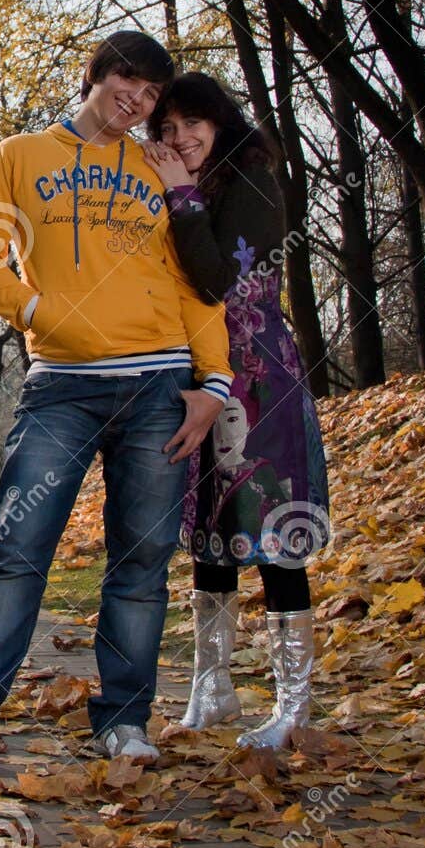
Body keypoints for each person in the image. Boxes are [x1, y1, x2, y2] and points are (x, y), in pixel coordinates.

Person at [0, 32, 231, 782]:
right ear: (94, 75)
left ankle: (124, 722)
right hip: (62, 384)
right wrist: (40, 313)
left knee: (142, 562)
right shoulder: (21, 156)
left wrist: (214, 383)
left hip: (158, 384)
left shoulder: (159, 167)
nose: (139, 98)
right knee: (17, 553)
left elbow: (195, 281)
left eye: (154, 93)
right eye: (129, 78)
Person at [140, 72, 332, 750]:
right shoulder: (183, 189)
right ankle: (212, 689)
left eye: (193, 123)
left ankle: (293, 707)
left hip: (260, 382)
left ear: (220, 123)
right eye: (166, 129)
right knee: (211, 537)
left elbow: (219, 278)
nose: (180, 138)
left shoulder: (251, 180)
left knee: (276, 534)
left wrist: (181, 195)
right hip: (200, 381)